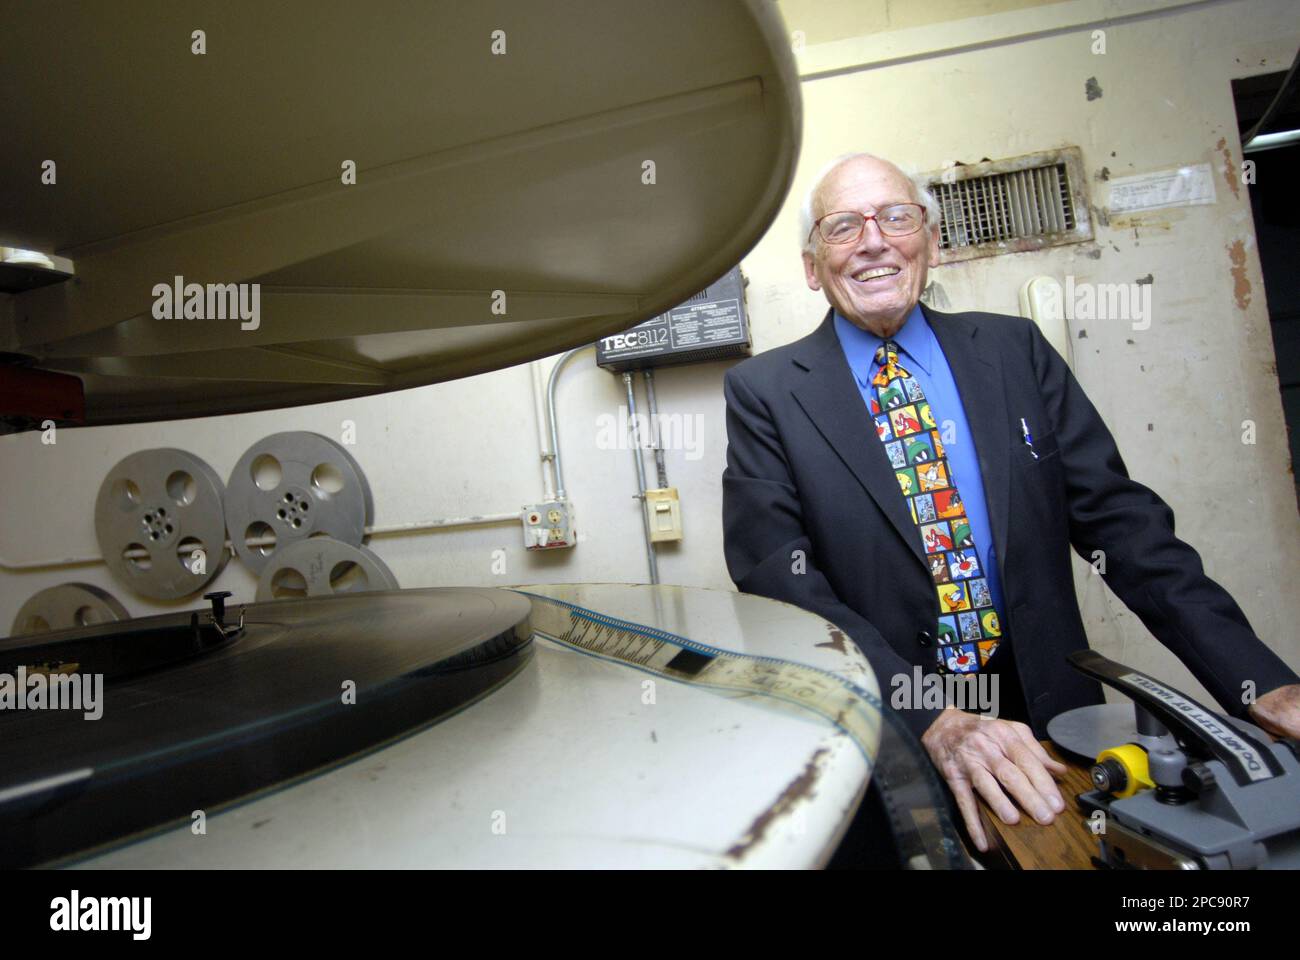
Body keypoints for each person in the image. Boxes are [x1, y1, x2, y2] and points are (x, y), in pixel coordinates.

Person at [721, 152, 1300, 852]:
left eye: (896, 217)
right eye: (843, 226)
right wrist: (930, 714)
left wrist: (1255, 679)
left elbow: (1122, 525)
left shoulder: (1014, 350)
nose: (874, 240)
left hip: (1051, 714)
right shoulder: (766, 393)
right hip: (893, 725)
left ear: (929, 242)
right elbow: (779, 581)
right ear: (814, 266)